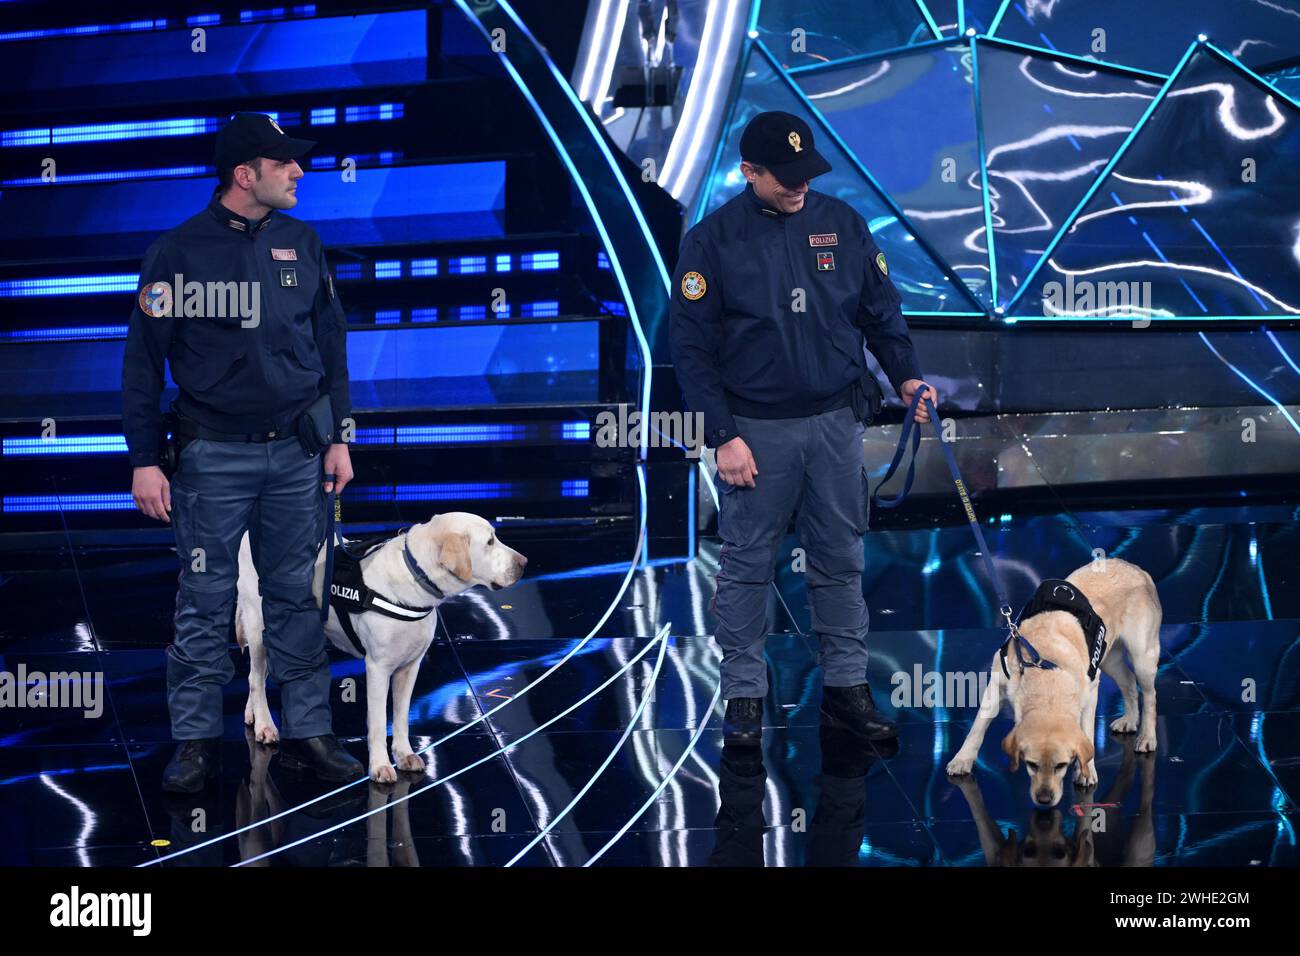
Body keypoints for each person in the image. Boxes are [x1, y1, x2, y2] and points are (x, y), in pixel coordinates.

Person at [669, 110, 938, 748]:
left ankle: (847, 691)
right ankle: (742, 698)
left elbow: (881, 313)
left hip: (836, 423)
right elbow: (692, 352)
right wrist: (722, 437)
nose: (799, 186)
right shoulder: (711, 243)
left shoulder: (842, 225)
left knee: (841, 560)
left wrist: (905, 375)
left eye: (805, 174)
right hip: (755, 434)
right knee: (746, 568)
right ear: (748, 172)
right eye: (783, 177)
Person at [121, 112, 363, 791]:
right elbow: (143, 364)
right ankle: (196, 742)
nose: (300, 172)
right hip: (211, 457)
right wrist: (144, 457)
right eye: (285, 162)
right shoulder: (177, 253)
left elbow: (331, 351)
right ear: (244, 174)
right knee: (204, 600)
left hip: (296, 452)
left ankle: (310, 732)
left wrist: (339, 436)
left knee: (295, 597)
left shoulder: (303, 242)